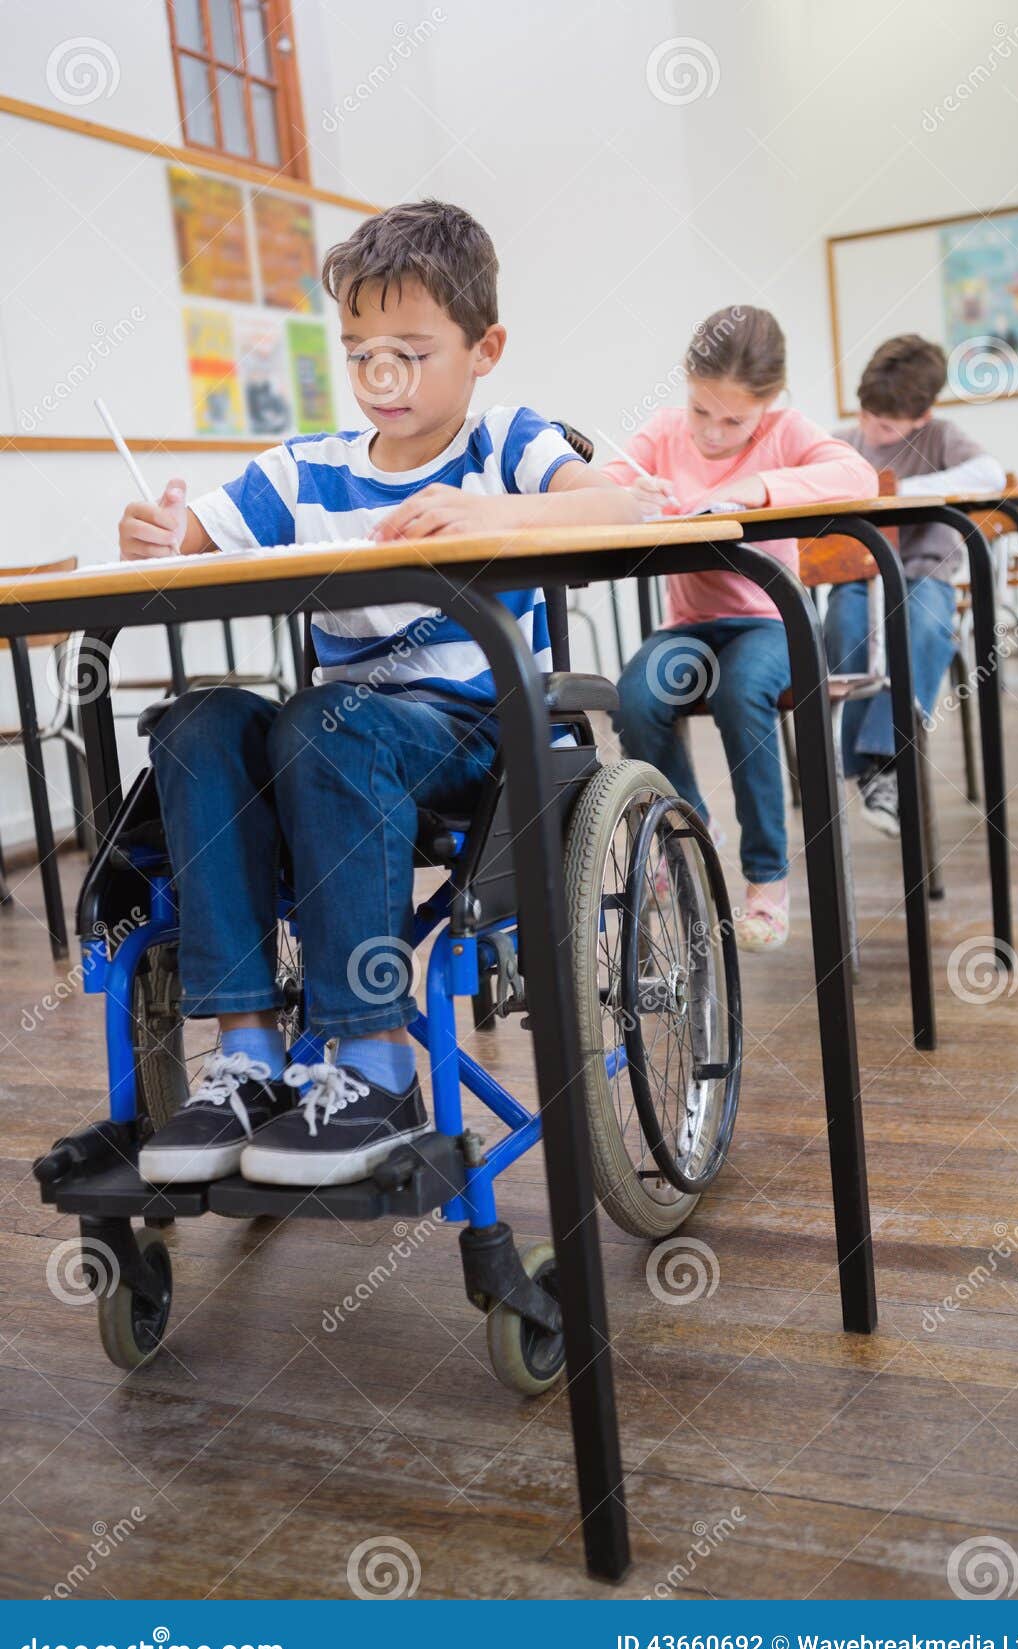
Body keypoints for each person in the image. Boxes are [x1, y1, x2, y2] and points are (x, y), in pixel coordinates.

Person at [117, 199, 640, 1188]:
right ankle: (247, 1054)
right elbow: (190, 541)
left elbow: (623, 504)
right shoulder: (301, 470)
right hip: (337, 740)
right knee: (199, 722)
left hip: (474, 734)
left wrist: (489, 514)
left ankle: (375, 1065)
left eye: (411, 352)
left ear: (483, 349)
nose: (381, 377)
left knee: (324, 722)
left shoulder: (503, 442)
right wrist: (155, 532)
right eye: (360, 353)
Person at [604, 306, 877, 950]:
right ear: (686, 385)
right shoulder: (663, 432)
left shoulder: (785, 433)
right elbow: (600, 485)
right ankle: (686, 830)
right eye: (701, 410)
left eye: (734, 422)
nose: (712, 433)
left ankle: (766, 881)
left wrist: (757, 485)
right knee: (634, 698)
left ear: (769, 403)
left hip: (770, 622)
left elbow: (858, 475)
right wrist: (624, 497)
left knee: (741, 690)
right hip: (691, 628)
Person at [824, 333, 1006, 835]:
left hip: (923, 573)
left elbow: (990, 474)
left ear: (921, 417)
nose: (871, 429)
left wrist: (896, 490)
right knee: (844, 621)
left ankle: (884, 761)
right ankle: (865, 762)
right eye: (866, 415)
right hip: (859, 576)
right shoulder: (844, 442)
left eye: (885, 425)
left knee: (925, 626)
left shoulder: (941, 437)